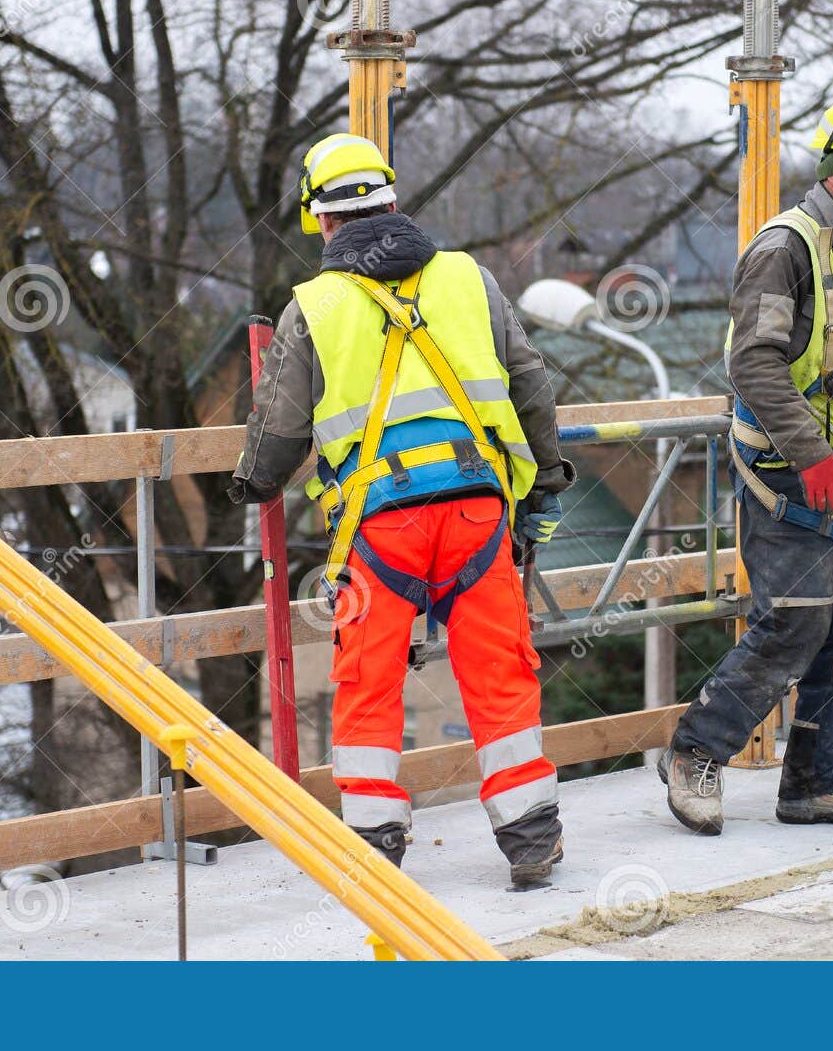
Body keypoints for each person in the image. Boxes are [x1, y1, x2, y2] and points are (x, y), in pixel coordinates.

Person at [229, 132, 576, 885]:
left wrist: (253, 483)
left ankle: (375, 848)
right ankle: (530, 839)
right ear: (393, 201)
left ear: (320, 222)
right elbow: (530, 382)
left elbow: (281, 427)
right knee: (499, 671)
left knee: (368, 677)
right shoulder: (468, 281)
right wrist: (543, 479)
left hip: (377, 527)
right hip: (479, 512)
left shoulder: (312, 309)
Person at [658, 94, 833, 835]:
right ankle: (694, 753)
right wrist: (809, 455)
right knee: (796, 627)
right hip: (790, 476)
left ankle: (817, 783)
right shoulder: (786, 248)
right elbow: (754, 361)